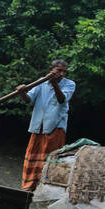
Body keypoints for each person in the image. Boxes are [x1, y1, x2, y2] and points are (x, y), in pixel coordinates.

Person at [18, 60, 75, 190]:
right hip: (38, 126)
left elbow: (62, 99)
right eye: (59, 70)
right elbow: (29, 99)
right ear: (51, 69)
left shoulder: (70, 84)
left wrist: (54, 83)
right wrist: (22, 92)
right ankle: (30, 186)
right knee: (33, 154)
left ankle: (47, 187)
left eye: (64, 71)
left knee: (51, 158)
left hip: (56, 126)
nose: (62, 74)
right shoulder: (41, 82)